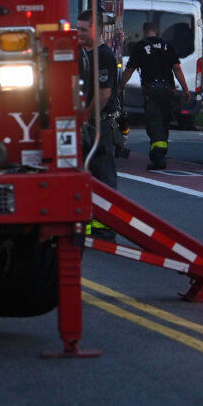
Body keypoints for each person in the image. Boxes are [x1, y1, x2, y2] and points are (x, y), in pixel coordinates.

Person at [120, 19, 189, 171]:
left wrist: (119, 87)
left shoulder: (141, 46)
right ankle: (161, 153)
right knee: (163, 121)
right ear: (156, 31)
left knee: (154, 122)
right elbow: (177, 69)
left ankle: (158, 157)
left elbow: (130, 70)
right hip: (168, 90)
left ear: (144, 31)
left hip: (152, 90)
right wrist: (185, 89)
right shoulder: (166, 45)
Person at [76, 12, 120, 241]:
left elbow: (103, 94)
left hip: (99, 124)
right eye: (78, 29)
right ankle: (91, 226)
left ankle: (105, 227)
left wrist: (85, 116)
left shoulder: (103, 56)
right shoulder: (86, 54)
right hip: (90, 124)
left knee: (103, 176)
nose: (79, 34)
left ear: (99, 29)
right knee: (89, 174)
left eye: (84, 30)